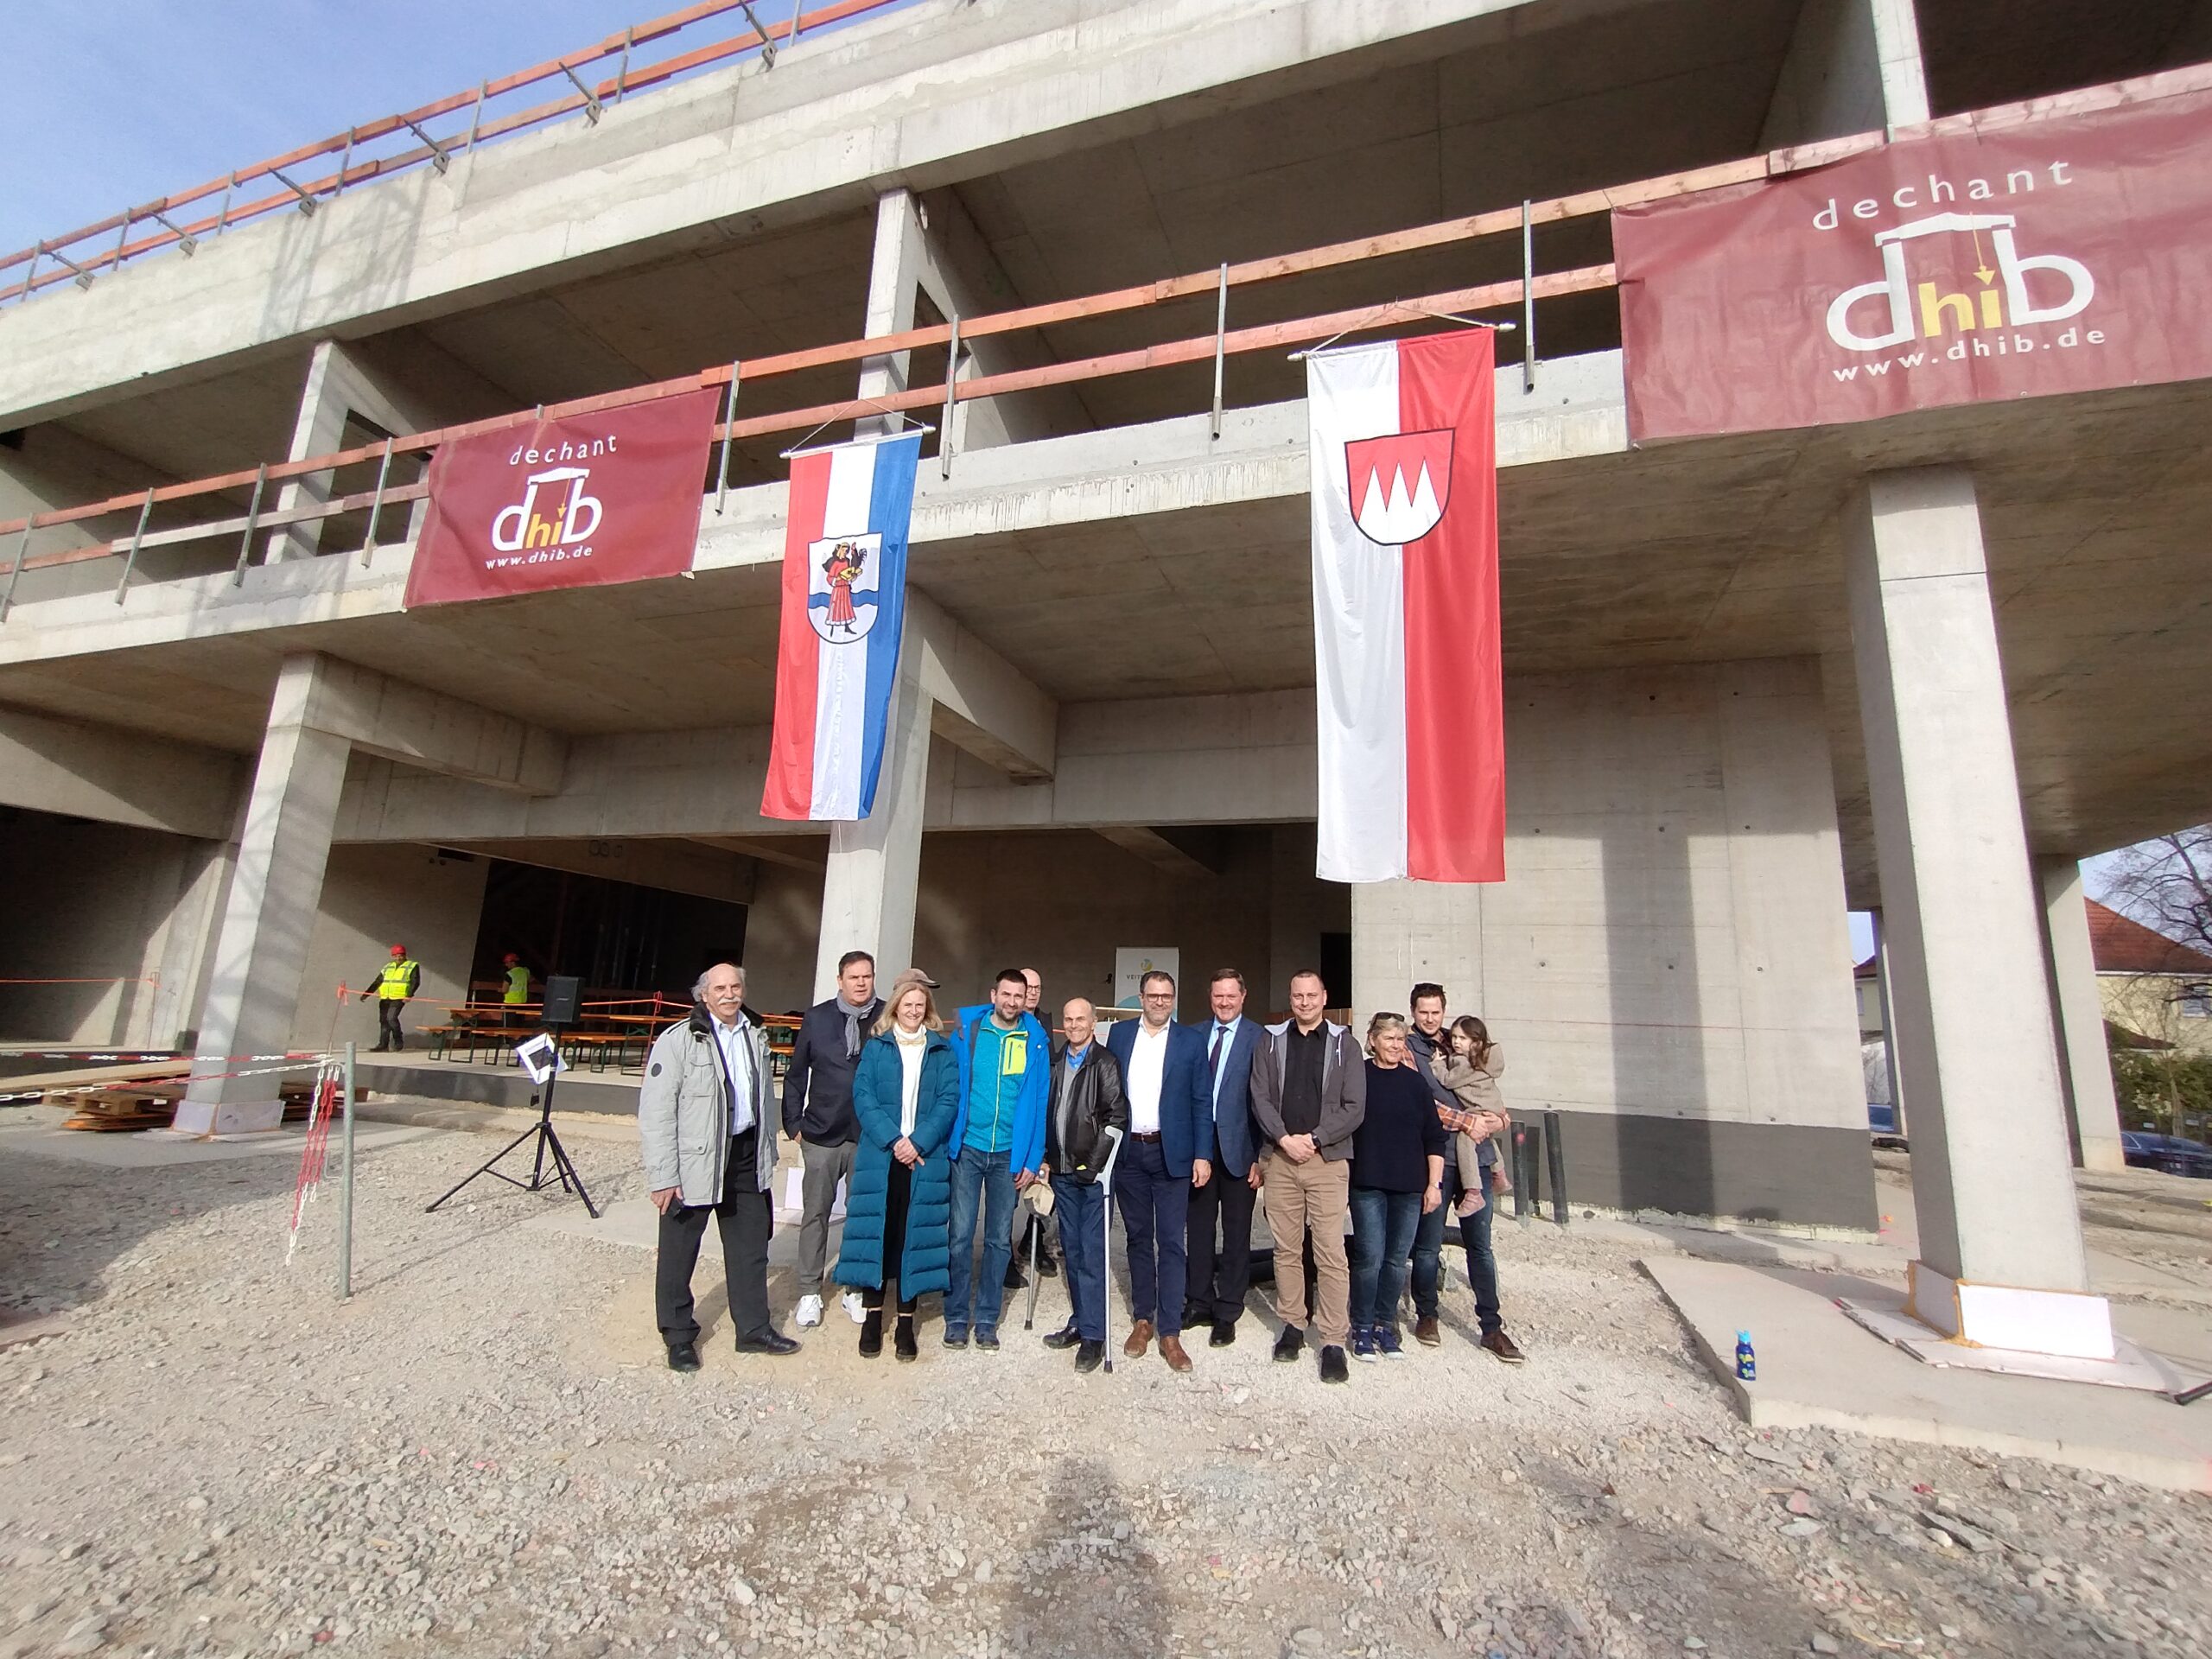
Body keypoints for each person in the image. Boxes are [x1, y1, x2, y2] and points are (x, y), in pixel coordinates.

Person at [639, 963, 796, 1370]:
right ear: (704, 995)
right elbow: (656, 1113)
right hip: (695, 1159)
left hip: (746, 1156)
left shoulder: (755, 1034)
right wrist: (663, 1176)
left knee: (750, 1250)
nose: (729, 994)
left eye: (735, 986)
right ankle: (678, 1336)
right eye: (720, 988)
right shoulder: (678, 1039)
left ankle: (753, 1329)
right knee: (679, 1253)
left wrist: (767, 1156)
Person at [1249, 969, 1365, 1384]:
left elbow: (1354, 1107)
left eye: (1311, 995)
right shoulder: (1270, 1041)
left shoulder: (1345, 1045)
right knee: (1286, 1249)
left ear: (1324, 997)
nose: (1304, 1002)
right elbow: (1260, 1097)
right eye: (1298, 996)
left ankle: (1332, 1339)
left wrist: (1315, 1139)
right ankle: (1293, 1324)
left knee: (1330, 1252)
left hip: (1326, 1160)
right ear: (1291, 998)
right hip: (1281, 1160)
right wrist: (1283, 1138)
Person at [836, 970, 959, 1363]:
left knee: (912, 1237)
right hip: (882, 1155)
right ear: (896, 1007)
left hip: (923, 1157)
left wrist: (917, 1142)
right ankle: (873, 1317)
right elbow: (863, 1096)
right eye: (907, 1004)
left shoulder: (941, 1050)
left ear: (927, 1009)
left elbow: (948, 1101)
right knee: (879, 1235)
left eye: (920, 1005)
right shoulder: (877, 1047)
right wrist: (894, 1140)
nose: (913, 1010)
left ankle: (906, 1322)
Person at [1404, 984, 1522, 1363]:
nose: (1430, 1019)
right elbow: (1422, 1103)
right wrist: (1470, 1121)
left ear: (1444, 1011)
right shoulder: (1407, 1049)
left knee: (1480, 1246)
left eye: (1435, 1012)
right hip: (1437, 1158)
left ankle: (1491, 1327)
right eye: (1423, 1012)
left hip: (1478, 1157)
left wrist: (1500, 1119)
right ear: (1413, 1011)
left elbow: (1488, 1089)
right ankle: (1427, 1314)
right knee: (1428, 1245)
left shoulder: (1460, 1040)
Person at [1103, 970, 1211, 1371]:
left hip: (1173, 1154)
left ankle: (1170, 1331)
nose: (1160, 1002)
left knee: (1170, 1241)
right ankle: (1142, 1319)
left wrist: (1203, 1154)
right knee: (1137, 1238)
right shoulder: (1119, 1036)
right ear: (1141, 997)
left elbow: (1202, 1101)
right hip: (1130, 1153)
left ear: (1174, 999)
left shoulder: (1190, 1041)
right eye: (1153, 995)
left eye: (1166, 996)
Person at [944, 969, 1051, 1350]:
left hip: (1009, 1154)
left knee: (998, 1241)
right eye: (1006, 994)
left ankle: (987, 1319)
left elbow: (1040, 1103)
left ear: (1026, 999)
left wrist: (1033, 1158)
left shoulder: (1035, 1041)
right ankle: (957, 1316)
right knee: (959, 1237)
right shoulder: (968, 1031)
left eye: (1018, 996)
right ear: (994, 995)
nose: (1012, 1002)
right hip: (969, 1149)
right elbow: (948, 1085)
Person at [781, 950, 884, 1330]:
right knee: (816, 1215)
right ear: (840, 981)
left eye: (867, 976)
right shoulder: (818, 1017)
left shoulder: (885, 1018)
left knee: (862, 1215)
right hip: (821, 1133)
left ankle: (854, 1287)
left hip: (867, 1135)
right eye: (853, 977)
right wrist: (793, 1123)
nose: (861, 983)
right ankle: (809, 1291)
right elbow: (796, 1074)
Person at [1347, 1014, 1448, 1362]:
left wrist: (1434, 1184)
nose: (1395, 1045)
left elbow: (1434, 1137)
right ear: (1373, 1040)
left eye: (1400, 1039)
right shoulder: (1358, 1077)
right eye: (1388, 1038)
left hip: (1409, 1187)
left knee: (1395, 1260)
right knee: (1370, 1257)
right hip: (1368, 1183)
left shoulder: (1415, 1083)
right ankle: (1361, 1326)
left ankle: (1384, 1324)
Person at [1039, 997, 1127, 1373]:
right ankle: (1081, 1320)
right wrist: (1045, 1156)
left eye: (1081, 1019)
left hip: (1091, 1177)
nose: (1074, 1025)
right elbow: (1047, 1113)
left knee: (1092, 1253)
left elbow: (1116, 1117)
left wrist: (1092, 1167)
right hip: (1061, 1172)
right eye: (1069, 1019)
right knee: (1072, 1251)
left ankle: (1094, 1335)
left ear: (1093, 1023)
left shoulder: (1104, 1063)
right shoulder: (1056, 1062)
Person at [1183, 968, 1265, 1346]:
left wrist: (1261, 1156)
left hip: (1241, 1151)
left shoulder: (1259, 1038)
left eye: (1231, 995)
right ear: (1210, 997)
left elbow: (1266, 1101)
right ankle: (1199, 1300)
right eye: (1219, 996)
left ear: (1243, 997)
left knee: (1236, 1235)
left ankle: (1228, 1309)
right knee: (1199, 1230)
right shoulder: (1194, 1035)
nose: (1225, 1002)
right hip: (1200, 1150)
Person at [1007, 966, 1060, 1288]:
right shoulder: (1006, 1022)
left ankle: (1034, 1242)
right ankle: (1004, 1258)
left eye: (1038, 987)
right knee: (1008, 1193)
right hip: (1011, 1121)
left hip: (1041, 1115)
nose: (1033, 992)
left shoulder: (1044, 1022)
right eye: (1028, 987)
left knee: (1043, 1185)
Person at [1433, 1015, 1509, 1217]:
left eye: (1463, 1038)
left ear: (1476, 1042)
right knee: (1486, 1136)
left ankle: (1474, 1192)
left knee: (1466, 1139)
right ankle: (1500, 1174)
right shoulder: (1486, 1059)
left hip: (1479, 1107)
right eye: (1454, 1037)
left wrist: (1438, 1064)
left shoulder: (1466, 1063)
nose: (1456, 1042)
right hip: (1492, 1106)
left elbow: (1448, 1080)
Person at [359, 944, 420, 1052]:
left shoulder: (412, 966)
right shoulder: (388, 967)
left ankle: (398, 1041)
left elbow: (415, 982)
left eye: (401, 956)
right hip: (385, 998)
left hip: (399, 998)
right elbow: (378, 981)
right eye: (396, 956)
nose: (398, 958)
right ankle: (383, 1045)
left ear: (405, 955)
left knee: (391, 1018)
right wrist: (366, 994)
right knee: (384, 1021)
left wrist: (409, 995)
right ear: (393, 956)